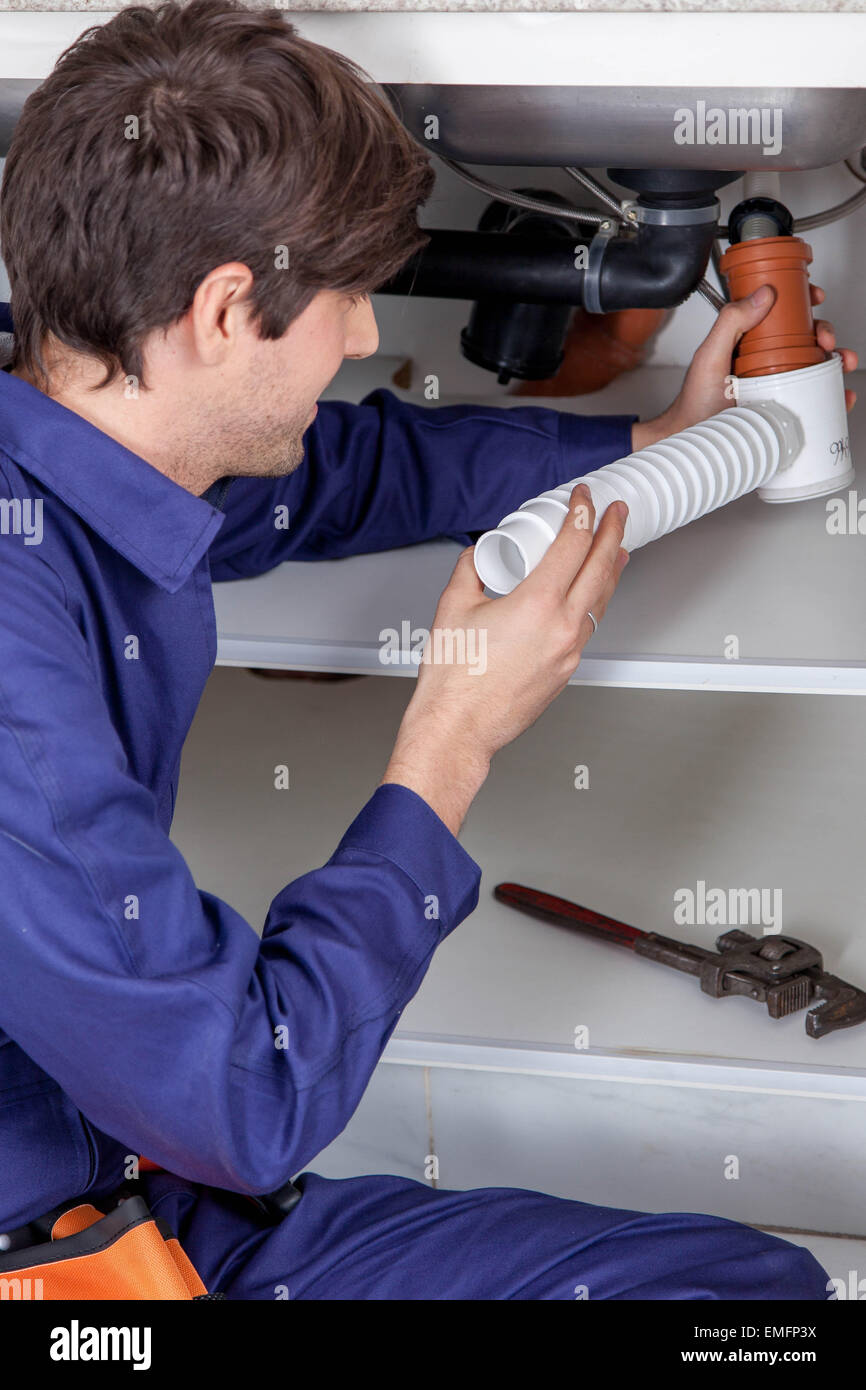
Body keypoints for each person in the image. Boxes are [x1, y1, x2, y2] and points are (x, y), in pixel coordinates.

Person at [0, 0, 852, 1299]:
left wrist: (650, 447)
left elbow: (341, 471)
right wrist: (450, 740)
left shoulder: (84, 433)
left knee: (744, 1298)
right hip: (70, 1262)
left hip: (137, 1181)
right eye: (344, 300)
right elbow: (247, 1095)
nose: (361, 340)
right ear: (227, 311)